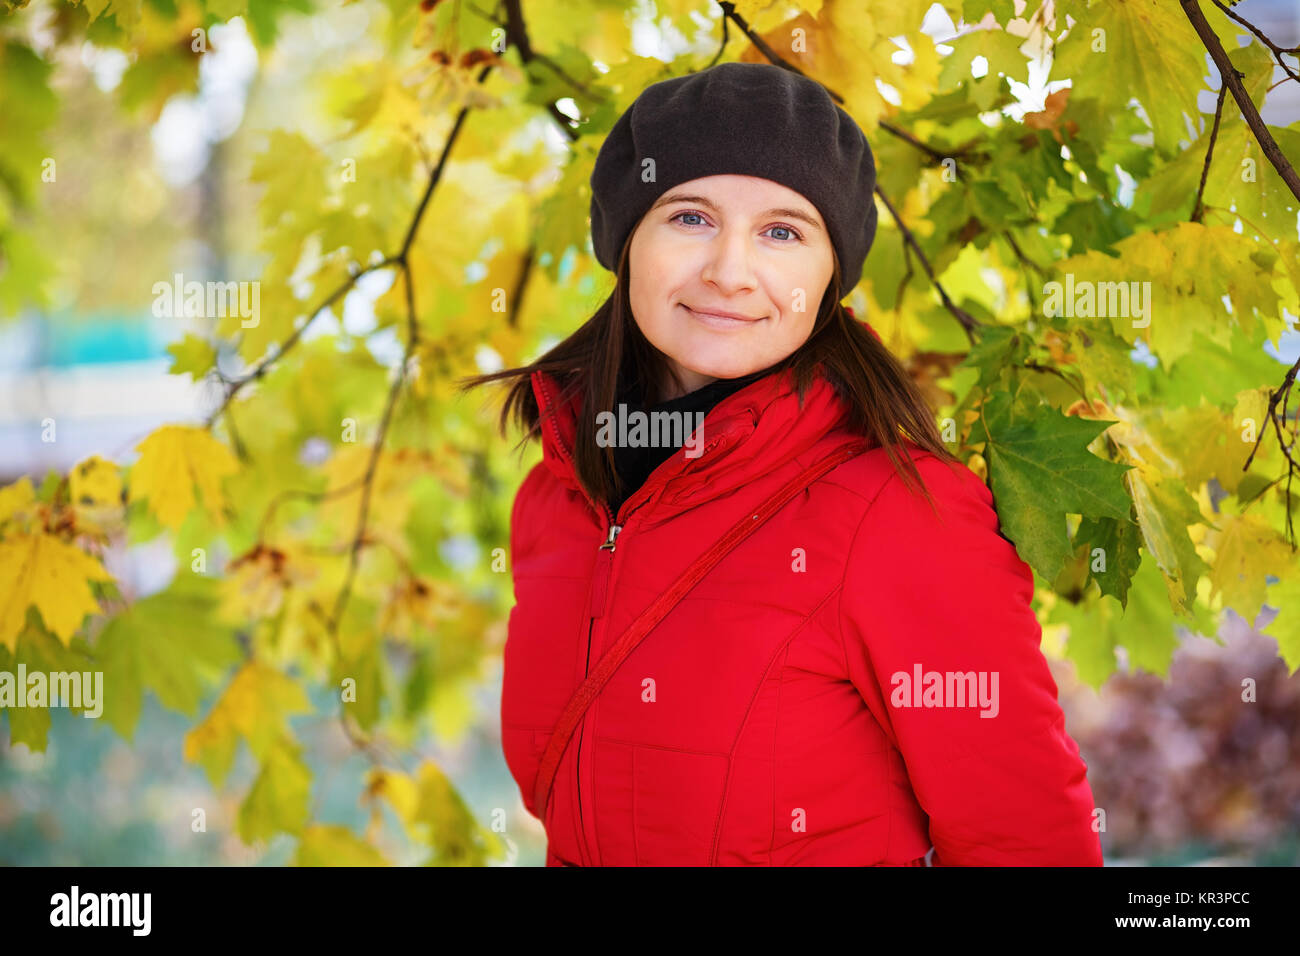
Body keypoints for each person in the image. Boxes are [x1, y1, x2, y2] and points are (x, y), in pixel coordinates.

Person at [462, 61, 1103, 866]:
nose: (730, 271)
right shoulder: (557, 495)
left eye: (782, 232)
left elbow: (1028, 843)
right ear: (626, 243)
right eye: (690, 218)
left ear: (830, 275)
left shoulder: (899, 513)